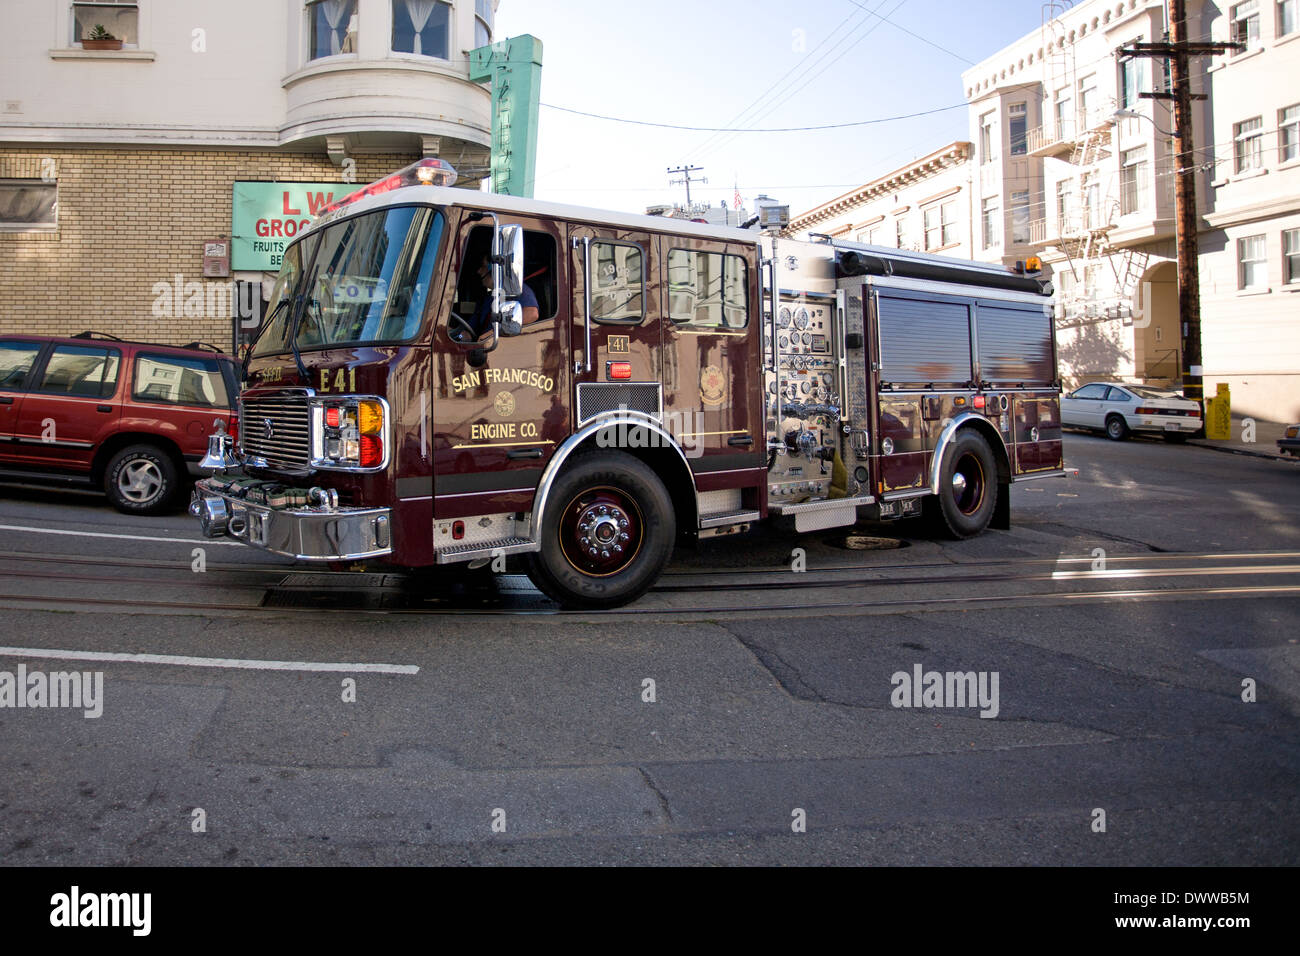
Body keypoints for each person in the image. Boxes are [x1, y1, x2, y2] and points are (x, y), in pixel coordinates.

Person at [470, 255, 539, 338]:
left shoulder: (517, 290)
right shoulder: (487, 299)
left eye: (483, 266)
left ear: (494, 268)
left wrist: (494, 333)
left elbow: (531, 314)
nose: (479, 271)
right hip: (482, 347)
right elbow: (470, 331)